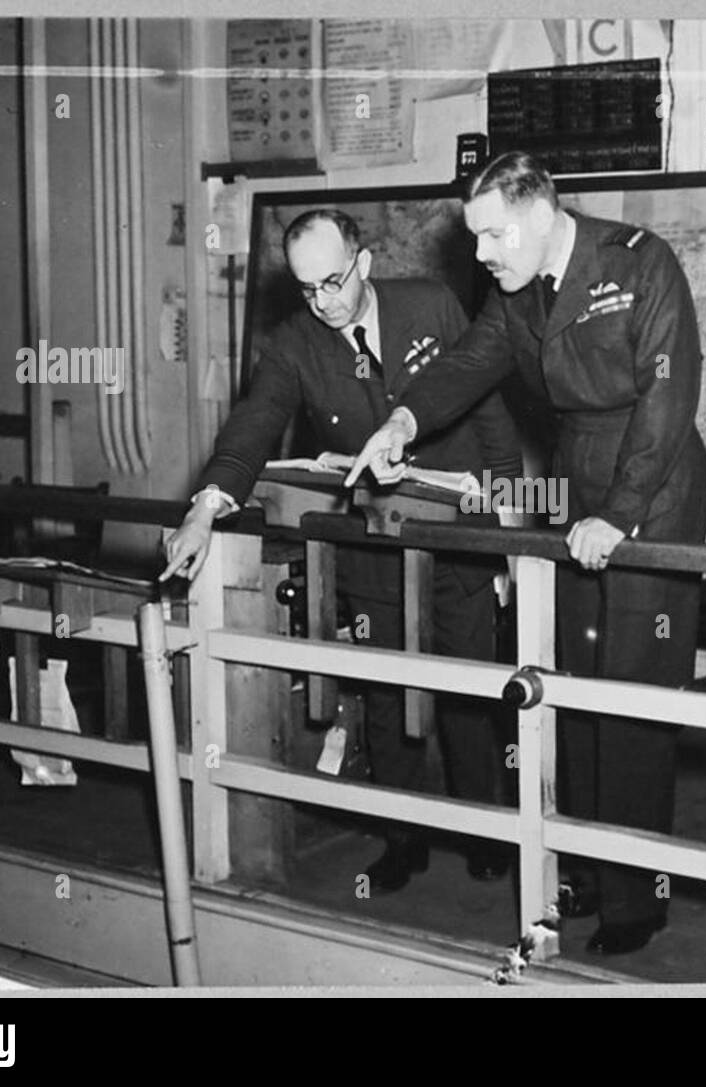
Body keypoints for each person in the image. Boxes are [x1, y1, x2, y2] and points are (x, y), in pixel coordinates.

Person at [347, 151, 706, 955]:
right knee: (571, 686)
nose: (481, 254)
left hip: (653, 483)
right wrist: (402, 421)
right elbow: (469, 363)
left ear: (544, 212)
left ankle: (636, 897)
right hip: (579, 479)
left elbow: (670, 394)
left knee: (633, 695)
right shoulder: (513, 293)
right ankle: (576, 865)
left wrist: (620, 514)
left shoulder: (639, 260)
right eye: (475, 237)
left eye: (493, 234)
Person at [161, 208, 522, 891]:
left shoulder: (433, 305)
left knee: (471, 687)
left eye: (332, 282)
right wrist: (206, 506)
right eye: (306, 289)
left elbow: (491, 417)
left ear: (363, 263)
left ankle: (487, 831)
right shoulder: (295, 345)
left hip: (458, 537)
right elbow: (254, 423)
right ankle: (401, 836)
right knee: (385, 694)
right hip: (373, 545)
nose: (322, 302)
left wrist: (505, 526)